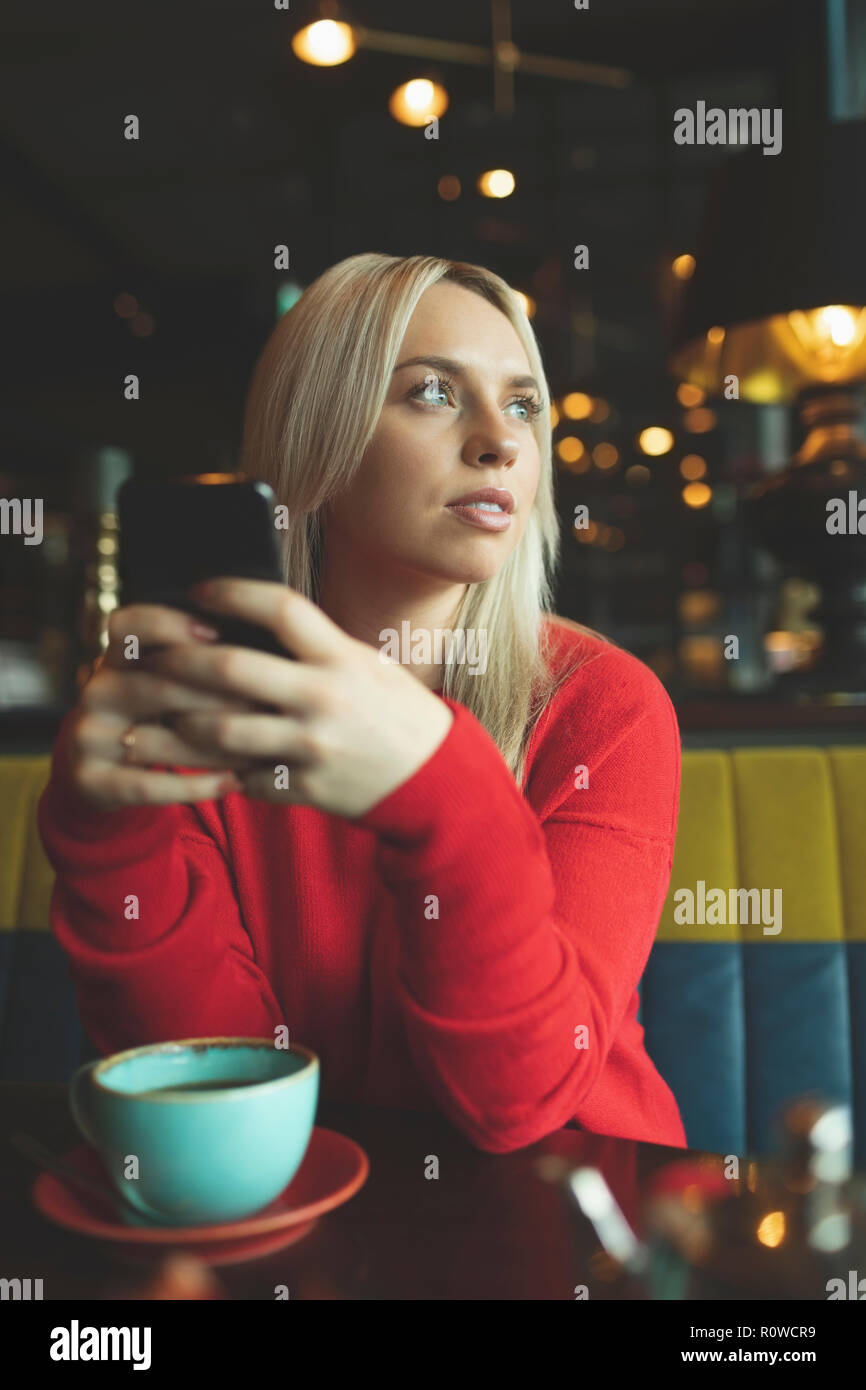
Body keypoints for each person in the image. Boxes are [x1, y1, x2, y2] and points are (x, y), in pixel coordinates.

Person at [37, 253, 686, 1152]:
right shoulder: (212, 705)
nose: (499, 439)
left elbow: (521, 1101)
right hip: (313, 1217)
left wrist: (436, 783)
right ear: (320, 435)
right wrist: (107, 841)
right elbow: (210, 1083)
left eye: (524, 403)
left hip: (572, 1218)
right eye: (433, 393)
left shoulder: (603, 708)